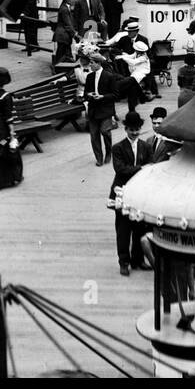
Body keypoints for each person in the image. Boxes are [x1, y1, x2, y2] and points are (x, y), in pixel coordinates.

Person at [111, 112, 155, 276]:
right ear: (126, 129)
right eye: (131, 130)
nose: (135, 133)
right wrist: (141, 169)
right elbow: (120, 169)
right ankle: (124, 262)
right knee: (123, 230)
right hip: (122, 192)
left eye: (137, 130)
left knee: (139, 228)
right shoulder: (118, 148)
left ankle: (138, 260)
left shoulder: (146, 147)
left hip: (140, 193)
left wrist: (143, 169)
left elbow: (151, 167)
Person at [82, 53, 123, 166]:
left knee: (105, 132)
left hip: (105, 109)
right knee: (94, 136)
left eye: (92, 63)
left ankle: (109, 152)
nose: (90, 65)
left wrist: (103, 96)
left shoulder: (109, 76)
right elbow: (85, 94)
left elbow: (115, 95)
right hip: (93, 110)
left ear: (98, 63)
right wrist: (89, 94)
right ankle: (99, 158)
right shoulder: (90, 77)